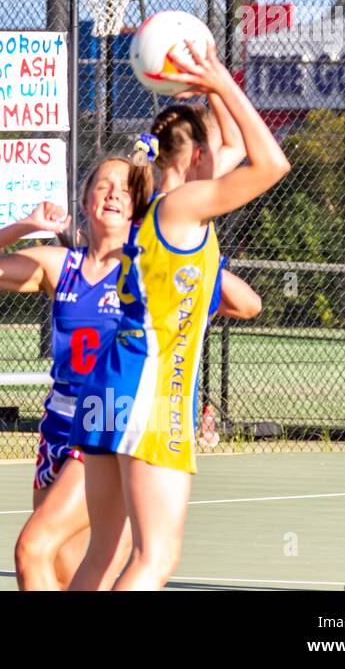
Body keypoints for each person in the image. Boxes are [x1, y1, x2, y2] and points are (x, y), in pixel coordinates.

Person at [0, 145, 261, 591]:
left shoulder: (151, 269)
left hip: (111, 417)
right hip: (58, 424)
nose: (113, 195)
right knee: (66, 567)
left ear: (139, 206)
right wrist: (27, 225)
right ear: (85, 201)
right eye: (103, 186)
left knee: (32, 547)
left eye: (124, 190)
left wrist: (199, 264)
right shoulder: (61, 266)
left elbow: (248, 304)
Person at [68, 37, 289, 591]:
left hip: (113, 387)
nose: (225, 155)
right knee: (154, 558)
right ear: (196, 157)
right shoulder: (184, 206)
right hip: (151, 390)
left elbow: (239, 144)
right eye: (213, 149)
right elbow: (273, 162)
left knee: (103, 553)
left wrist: (213, 96)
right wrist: (218, 82)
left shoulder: (159, 205)